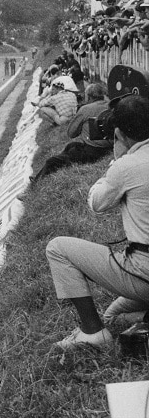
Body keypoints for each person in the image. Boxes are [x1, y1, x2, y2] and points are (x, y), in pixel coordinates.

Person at [45, 95, 149, 350]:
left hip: (144, 271)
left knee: (57, 248)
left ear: (118, 133)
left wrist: (116, 161)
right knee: (113, 315)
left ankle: (92, 332)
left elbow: (96, 204)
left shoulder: (126, 166)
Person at [31, 83, 111, 182]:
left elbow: (71, 133)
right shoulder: (110, 106)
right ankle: (61, 160)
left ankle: (35, 183)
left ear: (89, 97)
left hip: (93, 152)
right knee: (71, 146)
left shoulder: (85, 109)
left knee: (51, 161)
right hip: (109, 148)